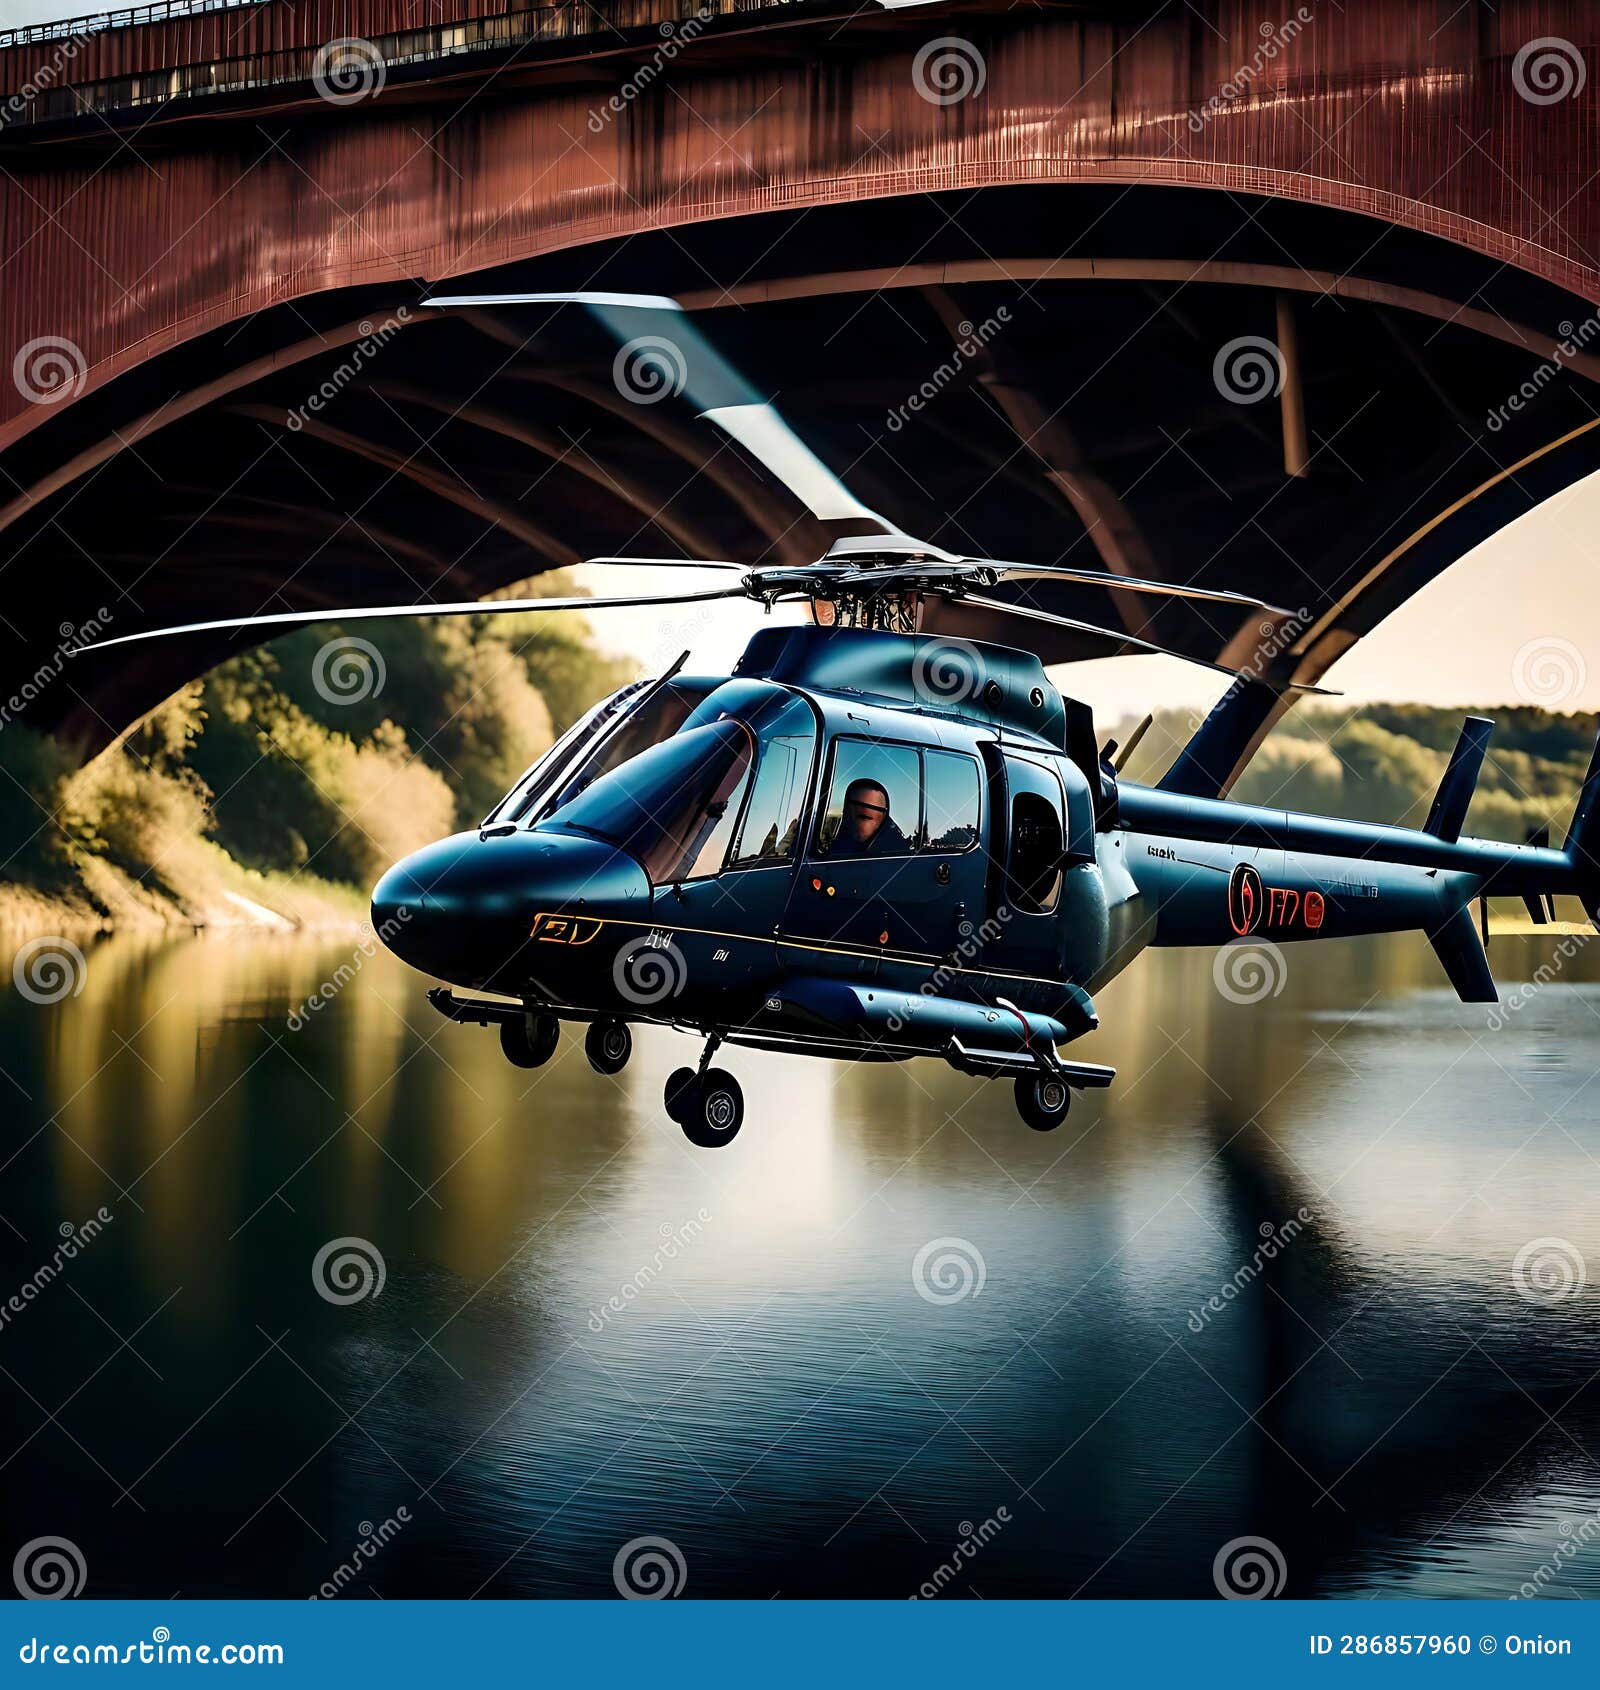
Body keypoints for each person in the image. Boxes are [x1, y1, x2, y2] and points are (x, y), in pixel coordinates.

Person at [838, 777, 907, 855]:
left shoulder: (894, 860)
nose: (849, 820)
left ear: (883, 821)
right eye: (846, 812)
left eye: (863, 816)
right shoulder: (834, 847)